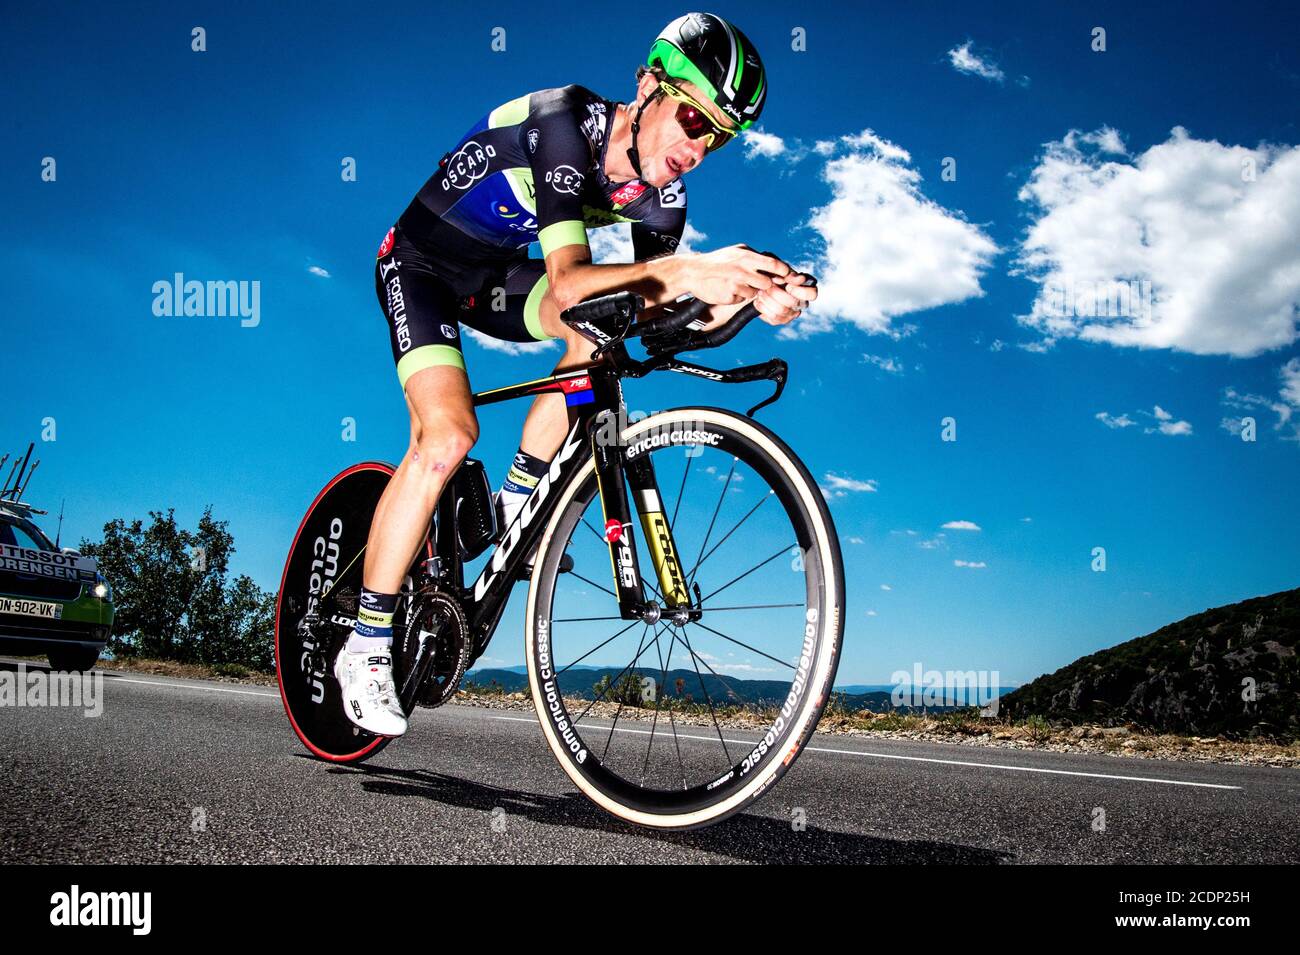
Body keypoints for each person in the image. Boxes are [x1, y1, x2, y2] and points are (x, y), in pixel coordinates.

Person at [337, 12, 819, 736]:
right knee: (446, 436)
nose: (699, 146)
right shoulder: (566, 123)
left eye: (718, 136)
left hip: (502, 280)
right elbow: (569, 286)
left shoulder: (664, 206)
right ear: (649, 84)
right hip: (425, 267)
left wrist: (750, 302)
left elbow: (648, 316)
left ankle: (514, 504)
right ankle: (364, 644)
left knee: (607, 337)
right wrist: (694, 270)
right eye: (693, 118)